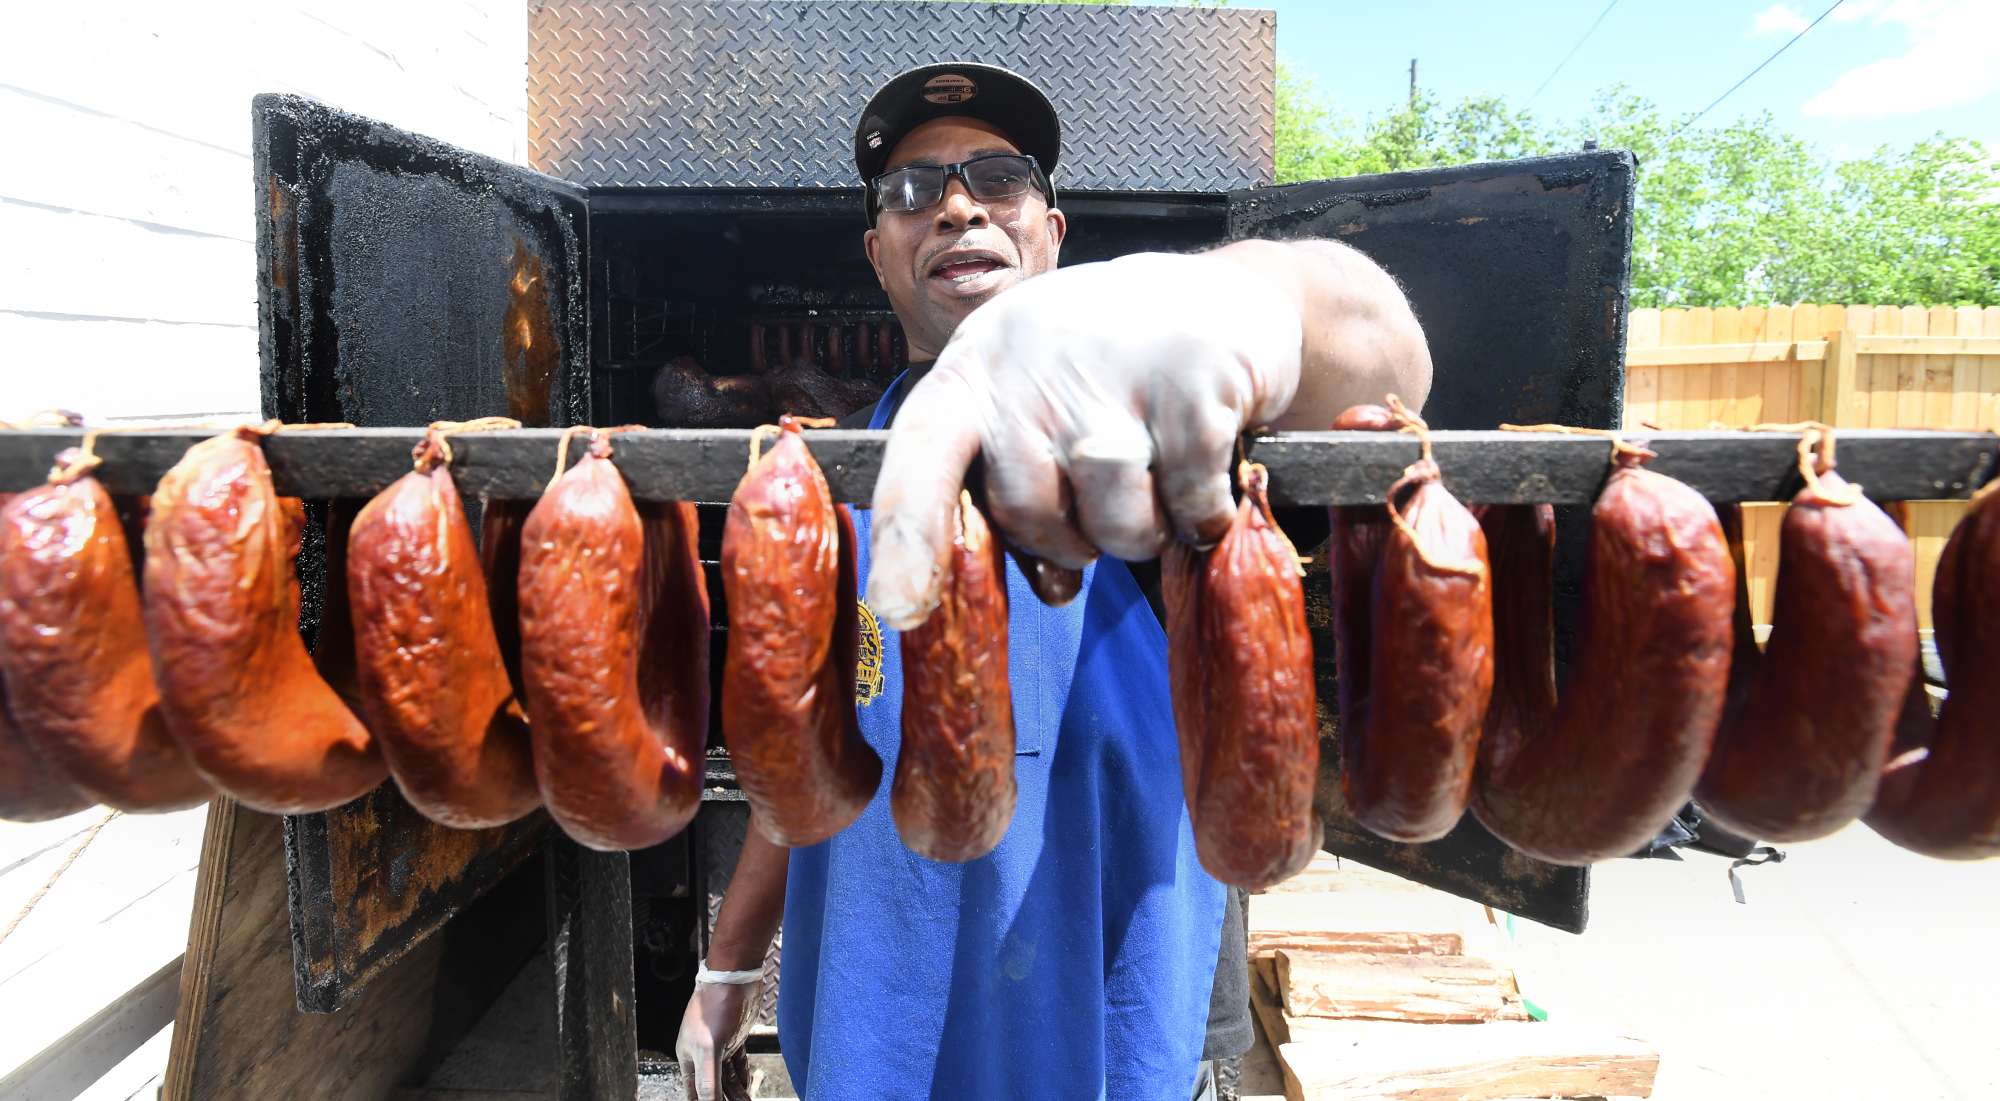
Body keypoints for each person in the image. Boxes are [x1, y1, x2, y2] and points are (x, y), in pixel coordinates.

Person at [677, 63, 1431, 1101]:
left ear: (1051, 230)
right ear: (878, 257)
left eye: (996, 176)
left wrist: (1226, 295)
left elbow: (1384, 355)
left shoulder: (1174, 436)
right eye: (909, 192)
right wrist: (726, 967)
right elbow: (798, 761)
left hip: (1106, 1044)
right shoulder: (829, 483)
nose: (952, 205)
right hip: (867, 1041)